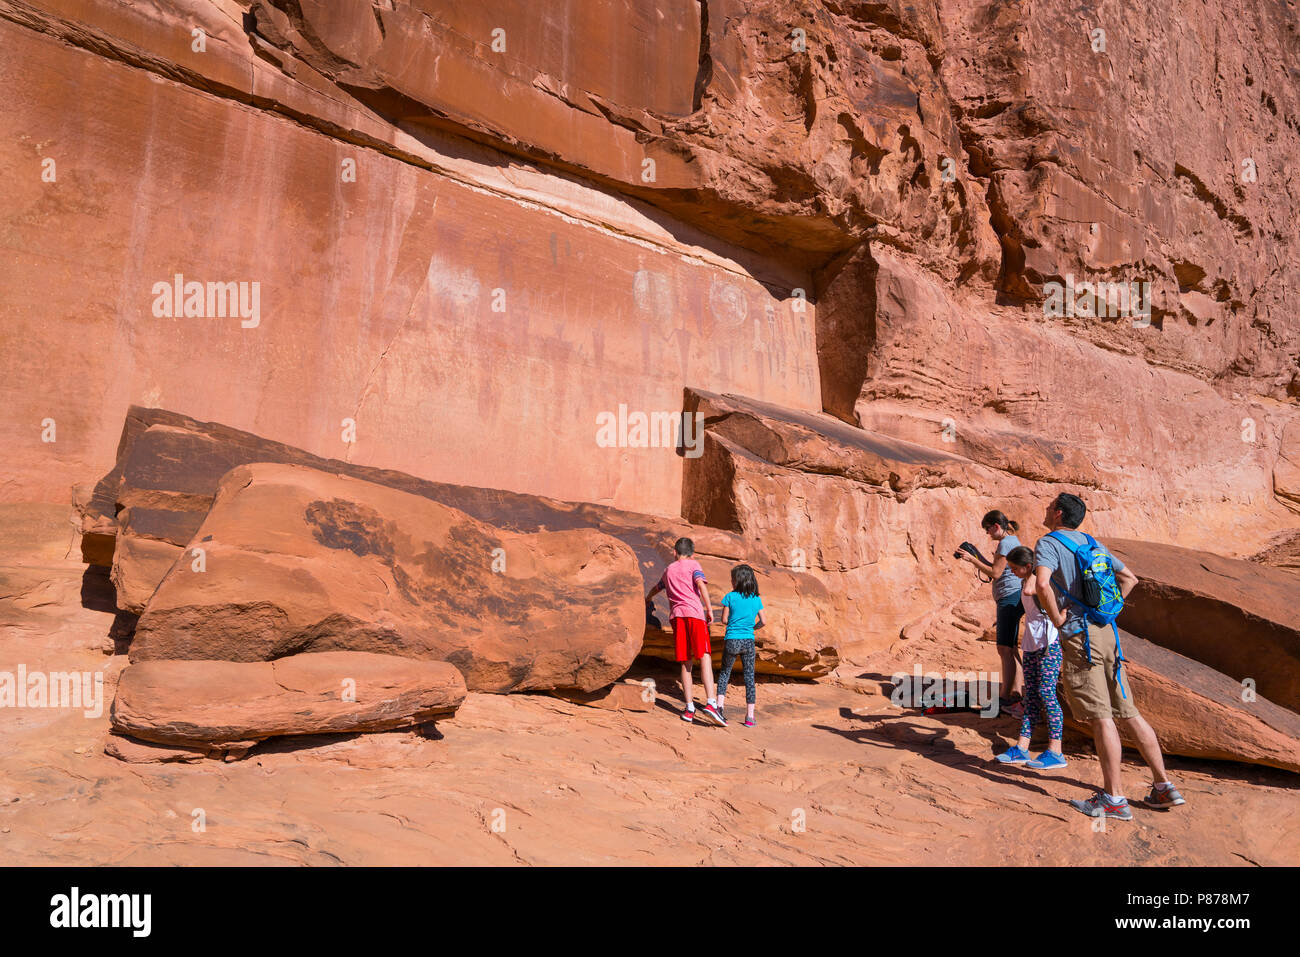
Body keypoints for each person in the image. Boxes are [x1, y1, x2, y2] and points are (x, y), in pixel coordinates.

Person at [1034, 493, 1185, 820]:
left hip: (1080, 636)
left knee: (1102, 716)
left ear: (1058, 513)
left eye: (1049, 507)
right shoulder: (1092, 543)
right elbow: (1130, 579)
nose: (1046, 510)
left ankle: (1114, 800)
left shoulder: (1048, 543)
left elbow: (1042, 583)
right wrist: (1110, 610)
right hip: (1108, 633)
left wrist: (1059, 620)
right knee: (1129, 711)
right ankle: (1163, 787)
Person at [994, 546, 1066, 769]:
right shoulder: (1029, 581)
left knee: (1046, 692)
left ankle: (1056, 751)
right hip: (1032, 645)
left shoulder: (1039, 581)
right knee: (1031, 696)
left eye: (1015, 568)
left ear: (1027, 566)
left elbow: (1042, 594)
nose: (1012, 572)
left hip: (1049, 645)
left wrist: (1033, 576)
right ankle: (1022, 748)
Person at [645, 538, 725, 726]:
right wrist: (709, 609)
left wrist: (647, 599)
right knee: (704, 656)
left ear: (675, 552)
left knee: (685, 661)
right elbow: (701, 585)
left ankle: (689, 708)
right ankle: (711, 703)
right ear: (692, 553)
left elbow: (656, 588)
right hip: (695, 615)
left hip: (677, 618)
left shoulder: (668, 570)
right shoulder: (693, 564)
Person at [957, 510, 1024, 711]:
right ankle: (1016, 693)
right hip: (1013, 596)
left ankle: (1005, 697)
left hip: (1009, 597)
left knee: (1004, 648)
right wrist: (978, 556)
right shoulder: (1012, 541)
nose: (988, 534)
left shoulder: (1005, 543)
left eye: (988, 529)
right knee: (1010, 647)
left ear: (996, 526)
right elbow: (998, 568)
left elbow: (995, 573)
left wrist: (972, 559)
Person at [716, 564, 765, 728]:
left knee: (725, 673)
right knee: (749, 677)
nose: (731, 581)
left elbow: (723, 620)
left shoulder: (730, 597)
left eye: (733, 579)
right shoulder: (756, 599)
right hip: (748, 641)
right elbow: (763, 621)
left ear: (737, 581)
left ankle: (719, 709)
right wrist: (752, 628)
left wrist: (734, 625)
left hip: (732, 639)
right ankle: (750, 716)